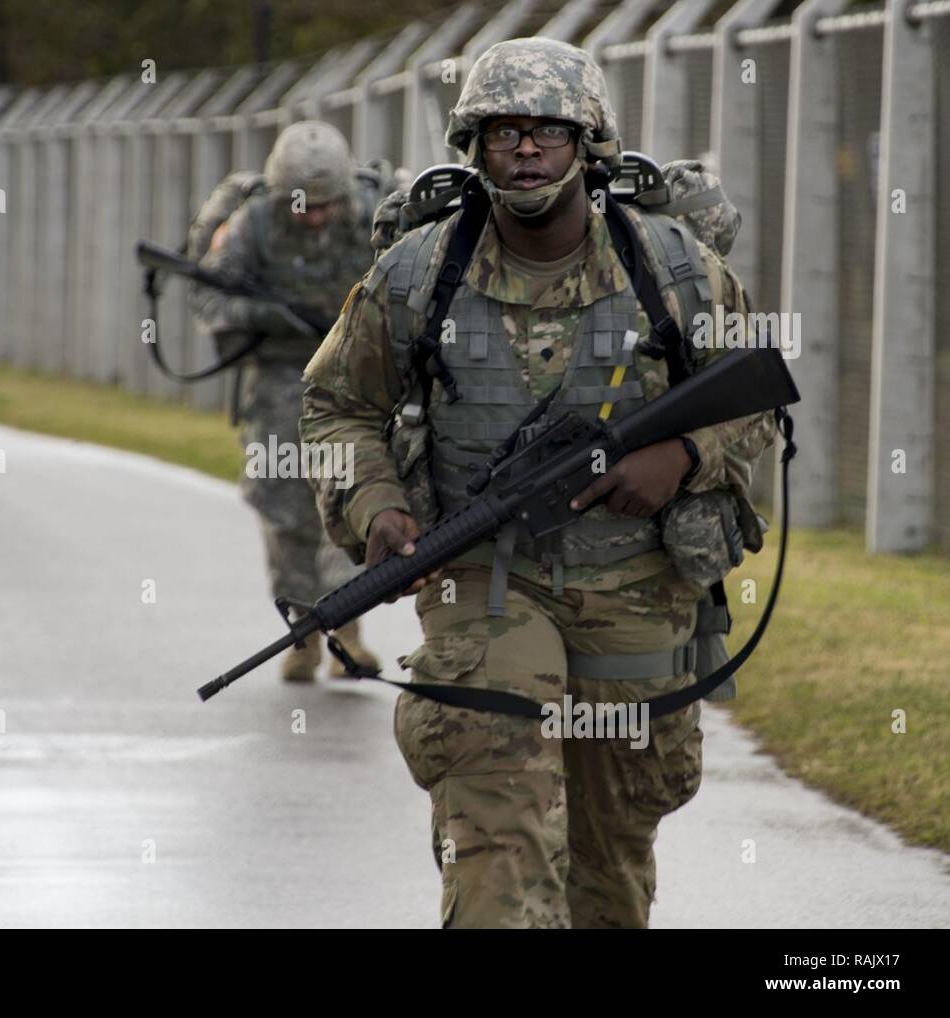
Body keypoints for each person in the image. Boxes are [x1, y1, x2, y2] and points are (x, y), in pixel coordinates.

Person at [299, 39, 776, 928]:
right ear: (472, 145)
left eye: (547, 132)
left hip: (639, 582)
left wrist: (681, 457)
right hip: (484, 578)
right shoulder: (417, 275)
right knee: (499, 823)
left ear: (587, 142)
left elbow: (758, 394)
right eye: (503, 130)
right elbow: (334, 408)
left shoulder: (670, 268)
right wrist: (379, 506)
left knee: (609, 853)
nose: (524, 151)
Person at [192, 120, 383, 683]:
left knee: (355, 502)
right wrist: (271, 316)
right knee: (285, 512)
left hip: (357, 383)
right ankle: (302, 633)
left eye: (327, 205)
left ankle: (347, 632)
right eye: (304, 205)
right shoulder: (252, 224)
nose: (315, 216)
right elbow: (209, 298)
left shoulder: (374, 215)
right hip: (279, 383)